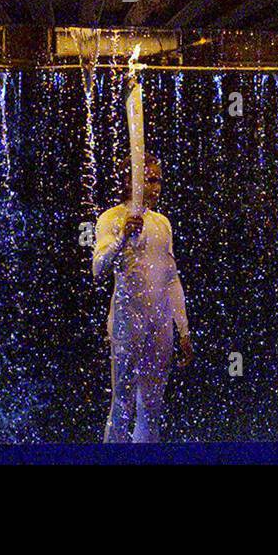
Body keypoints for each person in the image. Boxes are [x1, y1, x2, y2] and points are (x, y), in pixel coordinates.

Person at [92, 153, 193, 443]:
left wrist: (183, 329)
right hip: (128, 320)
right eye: (150, 180)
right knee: (122, 403)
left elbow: (171, 278)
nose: (157, 187)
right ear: (131, 181)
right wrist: (122, 237)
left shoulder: (162, 223)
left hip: (159, 323)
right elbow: (98, 269)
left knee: (152, 405)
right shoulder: (111, 218)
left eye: (159, 180)